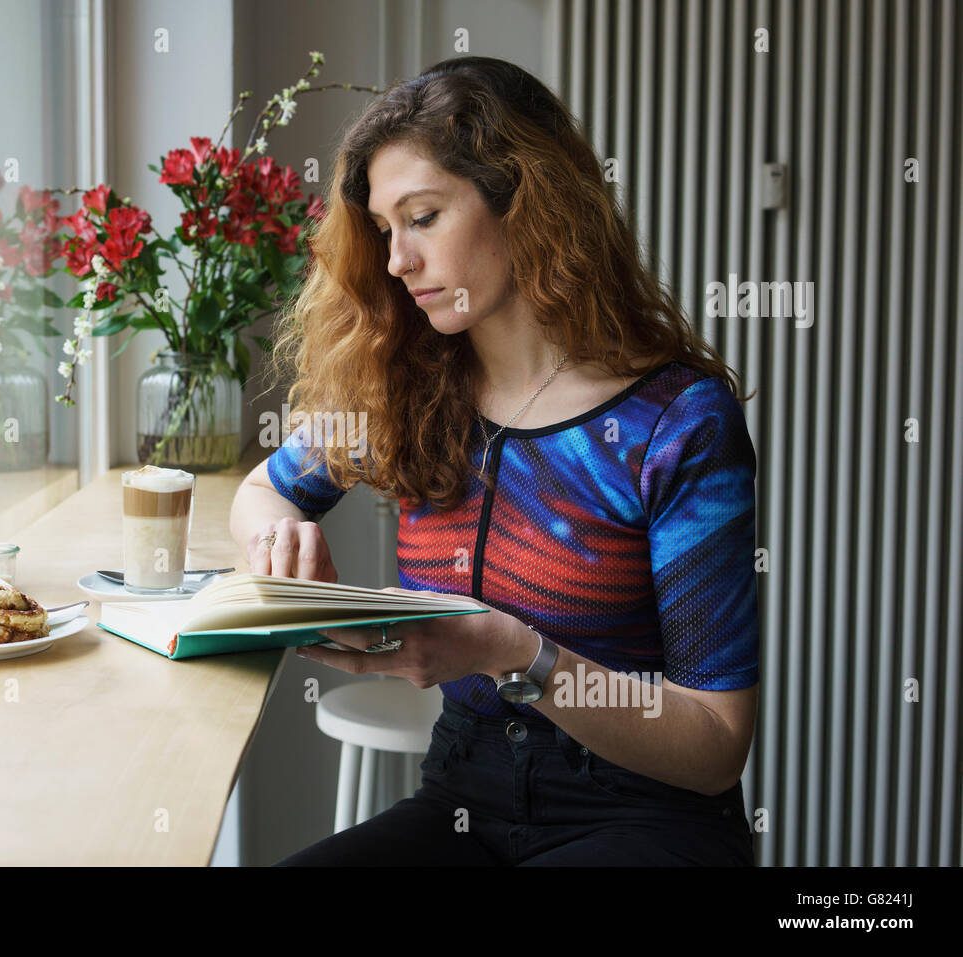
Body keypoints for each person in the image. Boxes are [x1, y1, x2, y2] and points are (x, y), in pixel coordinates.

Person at [230, 55, 759, 866]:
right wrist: (279, 543)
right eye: (383, 230)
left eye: (425, 217)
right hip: (463, 797)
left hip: (644, 818)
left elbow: (717, 743)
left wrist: (513, 649)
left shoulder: (677, 423)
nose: (398, 259)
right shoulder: (405, 388)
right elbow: (264, 490)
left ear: (525, 201)